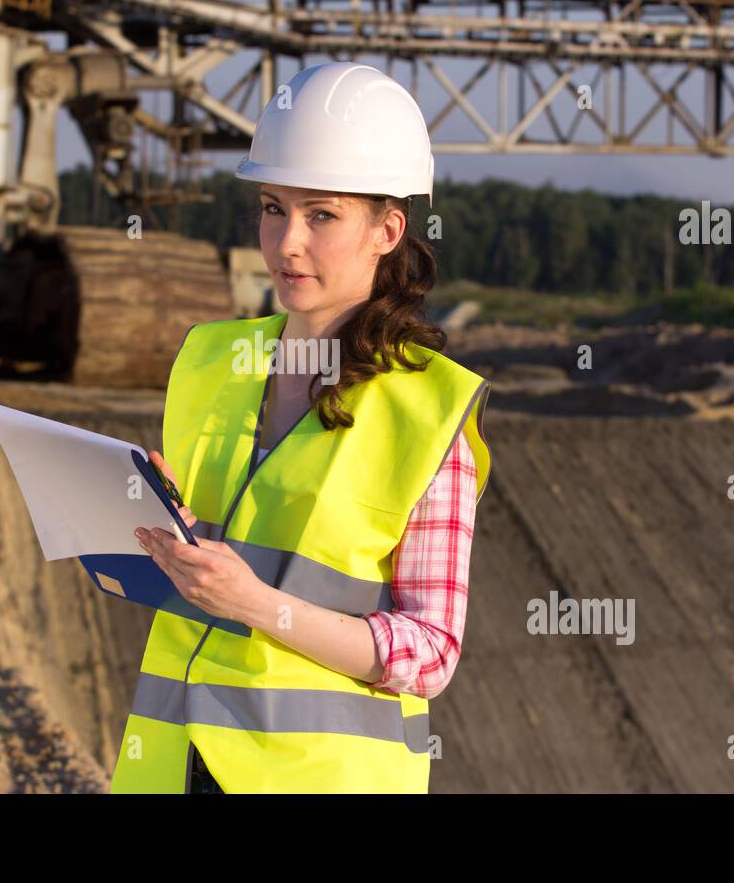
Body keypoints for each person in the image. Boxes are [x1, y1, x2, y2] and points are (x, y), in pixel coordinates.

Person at [111, 61, 491, 794]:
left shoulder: (426, 410)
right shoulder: (209, 363)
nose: (286, 242)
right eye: (272, 207)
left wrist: (256, 604)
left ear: (387, 230)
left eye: (321, 216)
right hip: (171, 764)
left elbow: (431, 652)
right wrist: (157, 530)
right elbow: (221, 560)